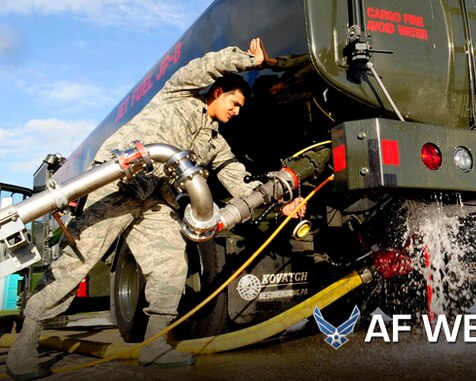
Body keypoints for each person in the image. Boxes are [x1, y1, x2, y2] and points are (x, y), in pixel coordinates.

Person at [6, 38, 305, 380]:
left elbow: (239, 180)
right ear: (217, 91)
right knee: (78, 261)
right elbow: (205, 65)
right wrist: (252, 62)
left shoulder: (215, 144)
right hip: (117, 183)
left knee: (171, 265)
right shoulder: (178, 93)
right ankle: (24, 348)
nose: (236, 112)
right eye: (234, 103)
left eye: (239, 109)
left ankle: (155, 345)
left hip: (154, 201)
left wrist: (281, 202)